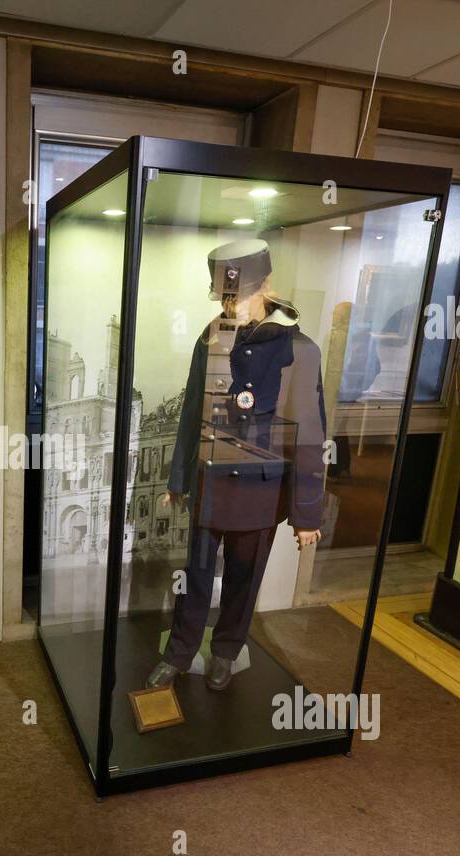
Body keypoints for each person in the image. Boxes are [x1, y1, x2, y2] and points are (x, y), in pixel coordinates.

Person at [147, 239, 327, 692]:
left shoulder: (298, 349)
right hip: (211, 483)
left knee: (245, 581)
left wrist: (307, 514)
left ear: (265, 285)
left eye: (238, 296)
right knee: (197, 576)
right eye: (225, 297)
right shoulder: (211, 337)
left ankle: (226, 650)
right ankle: (180, 652)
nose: (231, 306)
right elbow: (193, 412)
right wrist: (180, 479)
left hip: (260, 490)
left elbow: (308, 432)